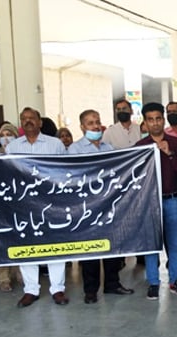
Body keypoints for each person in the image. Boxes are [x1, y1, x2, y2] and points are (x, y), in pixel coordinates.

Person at [5, 107, 69, 308]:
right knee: (27, 247)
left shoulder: (55, 144)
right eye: (24, 119)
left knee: (54, 245)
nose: (28, 121)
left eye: (32, 118)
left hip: (51, 203)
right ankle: (31, 290)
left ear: (40, 122)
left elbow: (66, 171)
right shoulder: (12, 147)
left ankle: (57, 288)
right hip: (24, 205)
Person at [69, 109, 135, 304]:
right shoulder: (74, 149)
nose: (95, 126)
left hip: (108, 204)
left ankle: (112, 284)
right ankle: (90, 290)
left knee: (111, 245)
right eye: (90, 123)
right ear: (82, 127)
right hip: (86, 206)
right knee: (90, 249)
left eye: (97, 122)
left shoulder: (109, 148)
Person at [136, 102, 177, 300]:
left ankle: (175, 280)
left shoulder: (174, 143)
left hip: (174, 199)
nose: (155, 123)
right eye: (151, 119)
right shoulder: (140, 147)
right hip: (150, 204)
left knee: (175, 243)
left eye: (158, 118)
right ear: (145, 122)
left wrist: (170, 153)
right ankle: (153, 283)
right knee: (152, 244)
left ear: (163, 119)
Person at [0, 122, 20, 291]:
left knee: (21, 239)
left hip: (21, 204)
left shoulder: (23, 153)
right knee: (3, 242)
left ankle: (21, 274)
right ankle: (3, 278)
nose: (6, 137)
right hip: (1, 205)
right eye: (3, 134)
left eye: (10, 134)